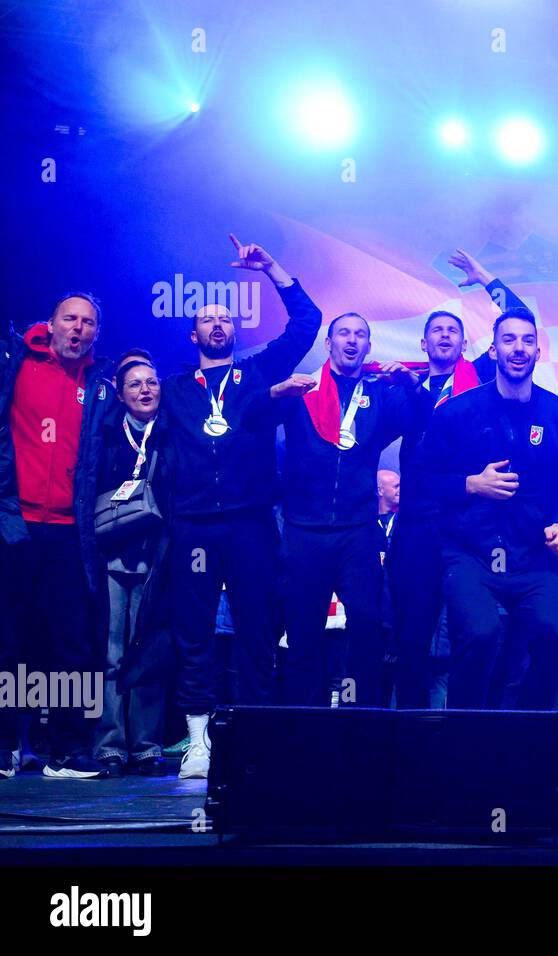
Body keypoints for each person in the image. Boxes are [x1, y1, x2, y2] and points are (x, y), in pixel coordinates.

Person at [162, 236, 321, 779]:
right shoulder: (176, 389)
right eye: (207, 319)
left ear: (235, 329)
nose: (217, 324)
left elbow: (307, 321)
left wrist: (270, 267)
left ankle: (252, 730)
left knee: (256, 626)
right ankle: (198, 740)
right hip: (194, 526)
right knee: (194, 629)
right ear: (194, 334)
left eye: (225, 317)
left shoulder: (256, 372)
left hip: (252, 521)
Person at [387, 249, 527, 708]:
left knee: (479, 634)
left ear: (465, 346)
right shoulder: (402, 390)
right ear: (424, 346)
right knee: (411, 638)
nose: (444, 335)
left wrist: (485, 278)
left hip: (471, 530)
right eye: (436, 331)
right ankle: (407, 738)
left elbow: (519, 319)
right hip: (416, 529)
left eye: (453, 330)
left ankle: (471, 733)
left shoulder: (482, 380)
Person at [422, 308, 558, 710]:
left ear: (538, 351)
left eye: (527, 340)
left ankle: (530, 736)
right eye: (509, 340)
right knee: (481, 632)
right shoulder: (455, 413)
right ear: (493, 350)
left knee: (555, 635)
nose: (518, 348)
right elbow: (425, 482)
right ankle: (463, 738)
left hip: (533, 558)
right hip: (470, 554)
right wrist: (471, 484)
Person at [266, 314, 418, 707]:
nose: (352, 340)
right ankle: (305, 727)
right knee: (303, 632)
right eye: (344, 333)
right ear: (328, 343)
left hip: (357, 529)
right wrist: (275, 393)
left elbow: (424, 423)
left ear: (368, 347)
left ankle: (361, 717)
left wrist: (412, 387)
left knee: (367, 624)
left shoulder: (382, 396)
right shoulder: (302, 391)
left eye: (361, 335)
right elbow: (250, 421)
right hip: (304, 528)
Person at [0, 291, 117, 779]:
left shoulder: (99, 385)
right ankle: (6, 743)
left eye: (88, 322)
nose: (78, 328)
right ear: (49, 324)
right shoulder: (14, 365)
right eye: (69, 318)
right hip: (15, 526)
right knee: (9, 640)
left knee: (73, 643)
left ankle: (68, 749)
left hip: (72, 531)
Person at [92, 357, 172, 776]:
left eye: (152, 382)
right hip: (111, 555)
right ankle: (109, 743)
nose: (145, 390)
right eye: (135, 384)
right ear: (119, 394)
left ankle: (146, 744)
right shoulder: (105, 435)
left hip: (158, 556)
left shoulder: (174, 432)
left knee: (151, 651)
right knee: (110, 653)